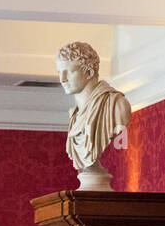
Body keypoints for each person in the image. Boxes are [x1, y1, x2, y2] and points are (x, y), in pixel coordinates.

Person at [55, 42, 131, 181]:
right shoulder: (75, 116)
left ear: (89, 72)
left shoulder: (115, 105)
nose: (62, 79)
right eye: (59, 72)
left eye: (69, 72)